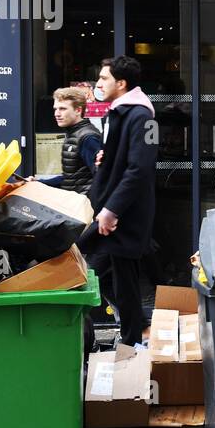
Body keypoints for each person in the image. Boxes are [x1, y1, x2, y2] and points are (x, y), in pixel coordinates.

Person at [80, 56, 156, 346]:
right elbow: (123, 161)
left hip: (123, 213)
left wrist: (111, 210)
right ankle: (131, 339)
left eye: (103, 79)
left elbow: (140, 168)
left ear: (121, 83)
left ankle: (131, 340)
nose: (98, 84)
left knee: (90, 267)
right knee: (121, 280)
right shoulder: (120, 113)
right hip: (113, 210)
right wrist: (105, 159)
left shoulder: (142, 116)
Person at [39, 87, 102, 194]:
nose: (57, 114)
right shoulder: (73, 134)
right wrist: (38, 183)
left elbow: (100, 177)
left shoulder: (88, 137)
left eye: (62, 109)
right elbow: (70, 178)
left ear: (78, 110)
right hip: (75, 203)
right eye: (55, 109)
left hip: (84, 205)